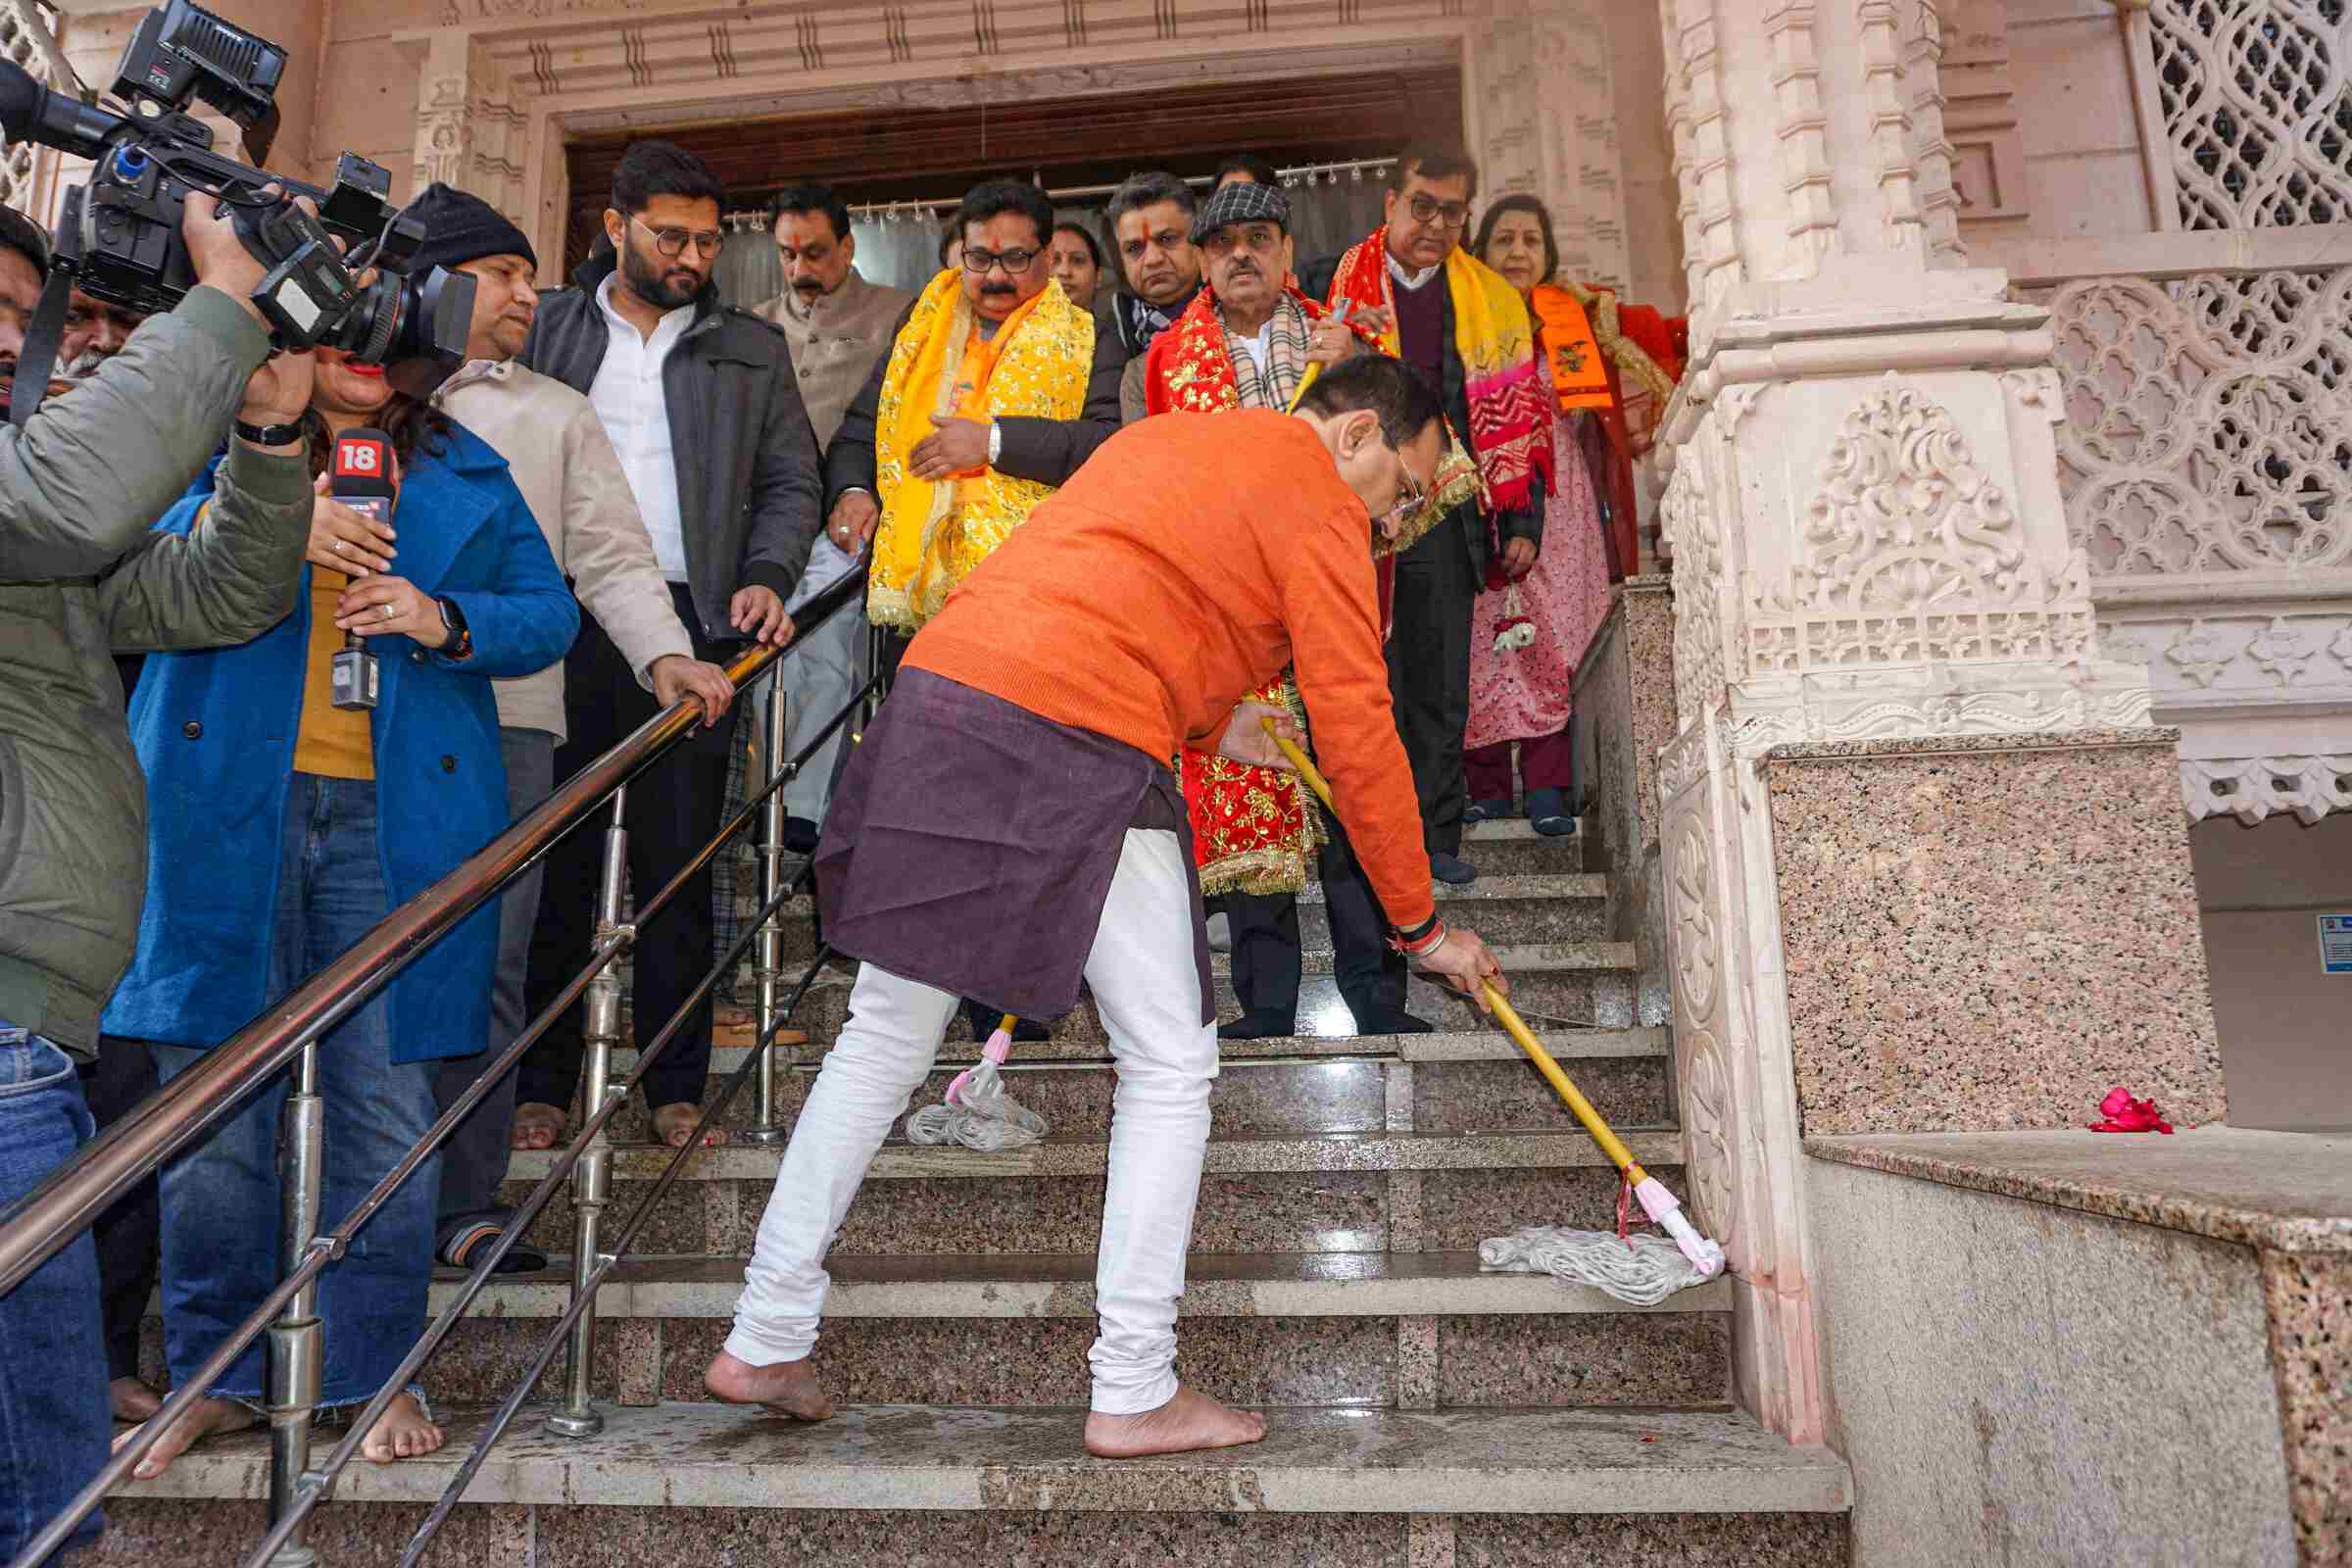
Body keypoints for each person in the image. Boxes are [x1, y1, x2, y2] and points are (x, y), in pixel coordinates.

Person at [703, 354, 1504, 1457]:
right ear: (1359, 433)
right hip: (1073, 730)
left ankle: (766, 1328)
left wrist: (1215, 721)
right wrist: (1420, 926)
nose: (1399, 518)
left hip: (947, 697)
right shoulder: (1315, 485)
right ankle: (1131, 1383)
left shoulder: (1173, 436)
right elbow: (1357, 724)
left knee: (883, 1032)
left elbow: (1126, 593)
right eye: (1406, 489)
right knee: (1171, 1061)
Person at [102, 345, 577, 1478]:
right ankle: (215, 1372)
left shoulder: (463, 459)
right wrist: (268, 525)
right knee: (213, 1105)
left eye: (381, 339)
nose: (359, 362)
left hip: (400, 815)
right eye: (333, 337)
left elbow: (547, 613)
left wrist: (440, 614)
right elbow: (109, 562)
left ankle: (371, 1366)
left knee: (382, 1102)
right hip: (224, 804)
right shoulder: (213, 433)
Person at [0, 194, 317, 1565]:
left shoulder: (30, 538)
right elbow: (79, 491)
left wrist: (268, 433)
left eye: (27, 315)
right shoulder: (36, 500)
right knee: (42, 1474)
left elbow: (214, 595)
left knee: (40, 1450)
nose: (21, 342)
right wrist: (227, 300)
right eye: (1, 316)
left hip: (31, 1019)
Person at [401, 182, 736, 1273]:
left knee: (491, 965)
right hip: (361, 726)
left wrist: (663, 654)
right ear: (432, 280)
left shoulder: (553, 410)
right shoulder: (351, 391)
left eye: (525, 275)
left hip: (509, 722)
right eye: (499, 274)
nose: (523, 294)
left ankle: (464, 1203)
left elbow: (611, 554)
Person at [516, 139, 823, 1151]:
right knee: (546, 861)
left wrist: (769, 576)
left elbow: (791, 481)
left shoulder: (751, 344)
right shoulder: (548, 328)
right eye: (670, 236)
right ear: (614, 228)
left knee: (683, 862)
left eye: (707, 240)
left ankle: (673, 1081)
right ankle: (537, 1083)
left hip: (693, 627)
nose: (692, 256)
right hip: (553, 620)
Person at [1142, 178, 1454, 1040]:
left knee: (1356, 795)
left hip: (1332, 600)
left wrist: (1358, 353)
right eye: (1222, 243)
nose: (1241, 255)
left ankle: (1379, 1000)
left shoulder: (1349, 336)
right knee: (1244, 790)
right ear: (1202, 263)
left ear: (1286, 249)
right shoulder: (1171, 359)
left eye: (1259, 238)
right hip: (1233, 615)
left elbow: (1415, 479)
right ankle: (1266, 1005)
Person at [826, 176, 1123, 1041]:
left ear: (1047, 258)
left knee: (1021, 816)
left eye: (1015, 259)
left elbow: (1103, 448)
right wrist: (854, 492)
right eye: (979, 256)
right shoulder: (919, 332)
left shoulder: (1085, 337)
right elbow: (858, 432)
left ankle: (1010, 999)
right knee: (930, 812)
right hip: (926, 616)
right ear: (956, 251)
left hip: (1034, 615)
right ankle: (922, 986)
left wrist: (989, 443)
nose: (994, 275)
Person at [1303, 144, 1547, 887]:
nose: (1436, 224)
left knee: (1440, 685)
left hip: (1446, 519)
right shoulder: (1331, 286)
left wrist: (1524, 523)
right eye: (1423, 206)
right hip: (1353, 514)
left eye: (1452, 211)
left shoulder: (1494, 303)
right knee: (1368, 682)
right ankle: (1368, 842)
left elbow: (1519, 419)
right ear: (1391, 204)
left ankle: (1437, 838)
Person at [752, 183, 911, 850]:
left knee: (825, 653)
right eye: (787, 255)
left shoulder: (898, 315)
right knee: (770, 661)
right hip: (769, 527)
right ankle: (777, 807)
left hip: (863, 523)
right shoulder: (754, 324)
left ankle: (804, 814)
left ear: (848, 246)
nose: (800, 271)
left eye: (815, 253)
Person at [1463, 195, 1612, 835]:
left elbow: (1608, 420)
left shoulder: (1571, 324)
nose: (1518, 252)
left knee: (1551, 636)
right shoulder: (1466, 323)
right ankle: (1488, 787)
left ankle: (1550, 787)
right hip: (1482, 489)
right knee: (1480, 639)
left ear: (1548, 256)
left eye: (1531, 240)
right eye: (1503, 240)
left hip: (1560, 501)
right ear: (1480, 254)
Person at [1104, 171, 1204, 424]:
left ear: (1198, 240)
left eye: (1167, 239)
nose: (1153, 259)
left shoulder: (1238, 314)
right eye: (1134, 248)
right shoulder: (1108, 338)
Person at [1048, 220, 1104, 312]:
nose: (1064, 272)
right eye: (1054, 260)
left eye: (1078, 260)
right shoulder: (1018, 325)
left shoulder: (1119, 326)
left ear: (1098, 276)